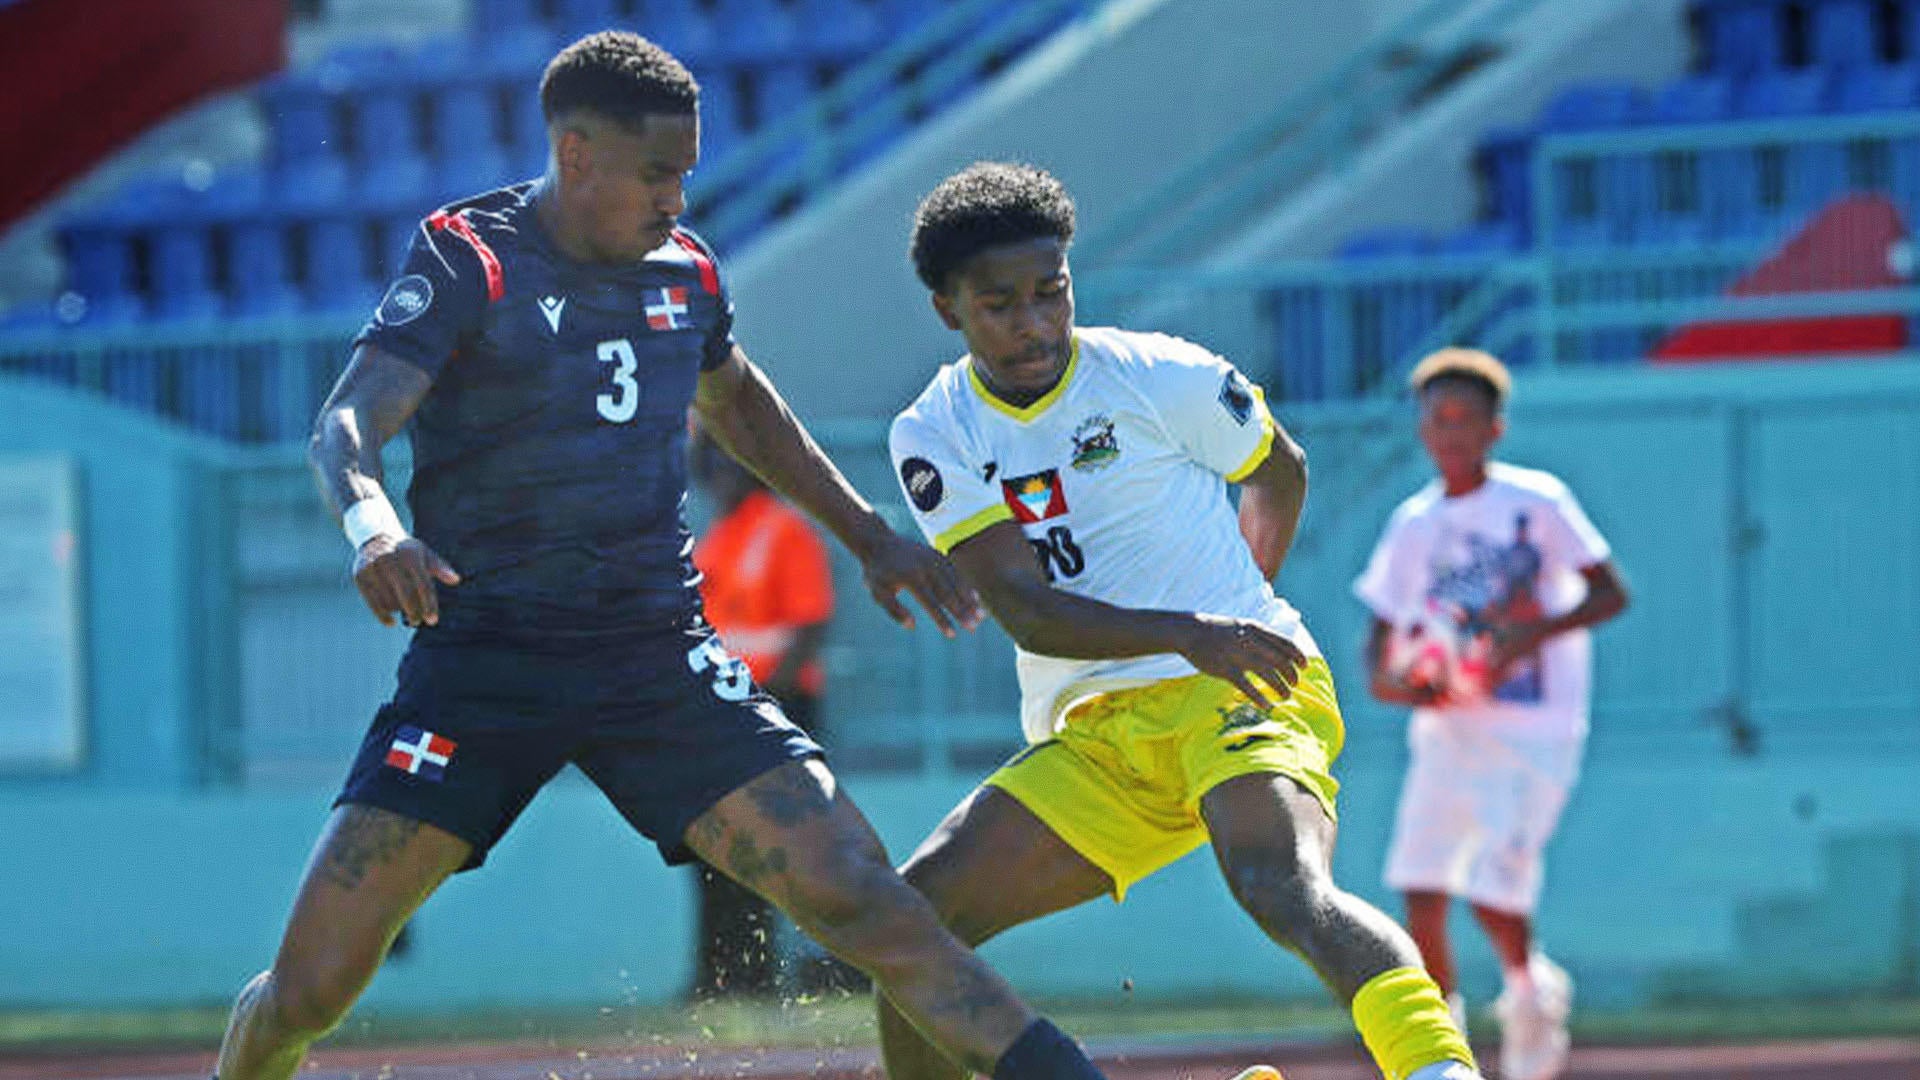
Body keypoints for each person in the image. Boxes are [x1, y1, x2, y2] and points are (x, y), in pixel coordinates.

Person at [210, 35, 1205, 1080]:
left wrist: (868, 534)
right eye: (657, 173)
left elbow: (735, 400)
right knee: (315, 985)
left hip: (655, 656)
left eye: (687, 171)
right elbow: (346, 425)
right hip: (482, 666)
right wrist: (375, 528)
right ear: (577, 153)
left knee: (871, 899)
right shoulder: (474, 258)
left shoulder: (685, 274)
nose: (678, 197)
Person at [881, 161, 1481, 1080]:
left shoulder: (1161, 376)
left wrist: (1238, 610)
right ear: (945, 309)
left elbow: (1280, 469)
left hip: (1234, 691)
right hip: (1098, 735)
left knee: (1279, 886)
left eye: (1053, 292)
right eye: (1001, 304)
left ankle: (1441, 1070)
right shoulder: (936, 431)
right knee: (910, 923)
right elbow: (1028, 613)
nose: (1036, 323)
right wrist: (1190, 627)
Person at [1354, 348, 1629, 1080]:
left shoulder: (1536, 504)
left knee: (1493, 894)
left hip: (1536, 730)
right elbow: (1379, 640)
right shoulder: (1412, 526)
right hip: (1449, 728)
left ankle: (1529, 992)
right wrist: (1401, 684)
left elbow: (1611, 593)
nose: (1446, 432)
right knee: (1420, 885)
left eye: (1461, 418)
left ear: (1494, 429)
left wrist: (1526, 635)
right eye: (1433, 418)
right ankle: (1443, 1053)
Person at [685, 425, 850, 998]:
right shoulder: (719, 538)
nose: (718, 475)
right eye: (712, 463)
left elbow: (809, 625)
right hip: (724, 714)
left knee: (798, 845)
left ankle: (833, 969)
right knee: (722, 849)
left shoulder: (784, 529)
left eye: (728, 462)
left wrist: (763, 705)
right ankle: (727, 977)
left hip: (776, 711)